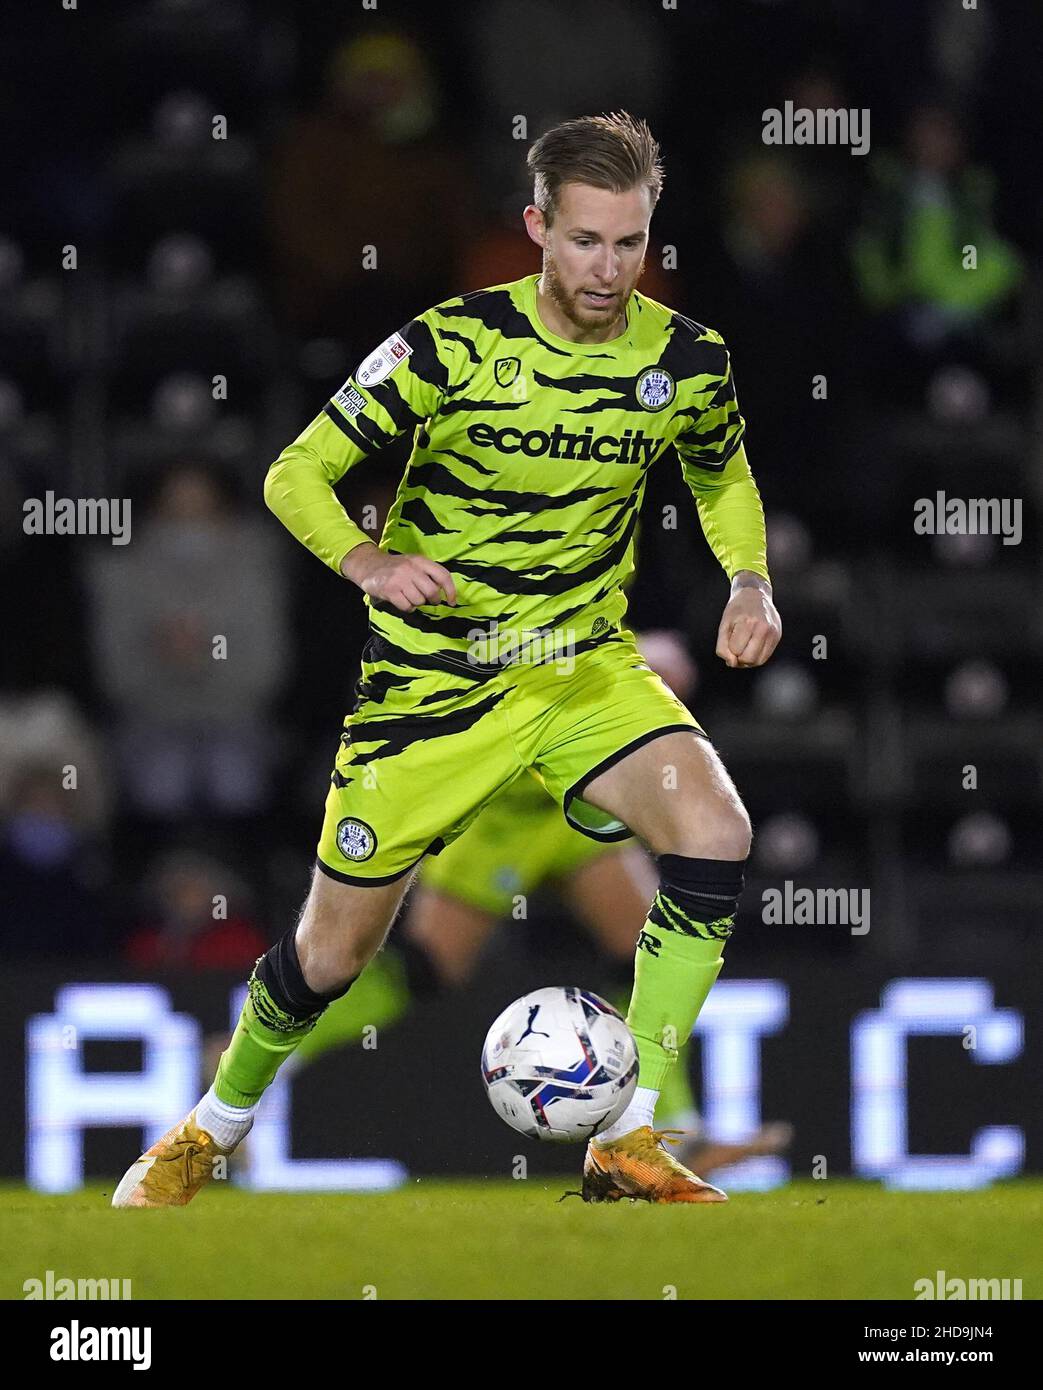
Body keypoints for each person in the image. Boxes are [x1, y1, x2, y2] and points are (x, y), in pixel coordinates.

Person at [113, 111, 782, 1209]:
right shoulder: (449, 344)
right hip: (431, 695)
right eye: (584, 242)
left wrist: (747, 579)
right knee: (329, 959)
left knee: (715, 831)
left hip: (578, 669)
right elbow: (295, 475)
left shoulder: (683, 358)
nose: (608, 269)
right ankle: (206, 1129)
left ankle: (633, 1131)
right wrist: (365, 560)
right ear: (535, 228)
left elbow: (720, 474)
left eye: (628, 242)